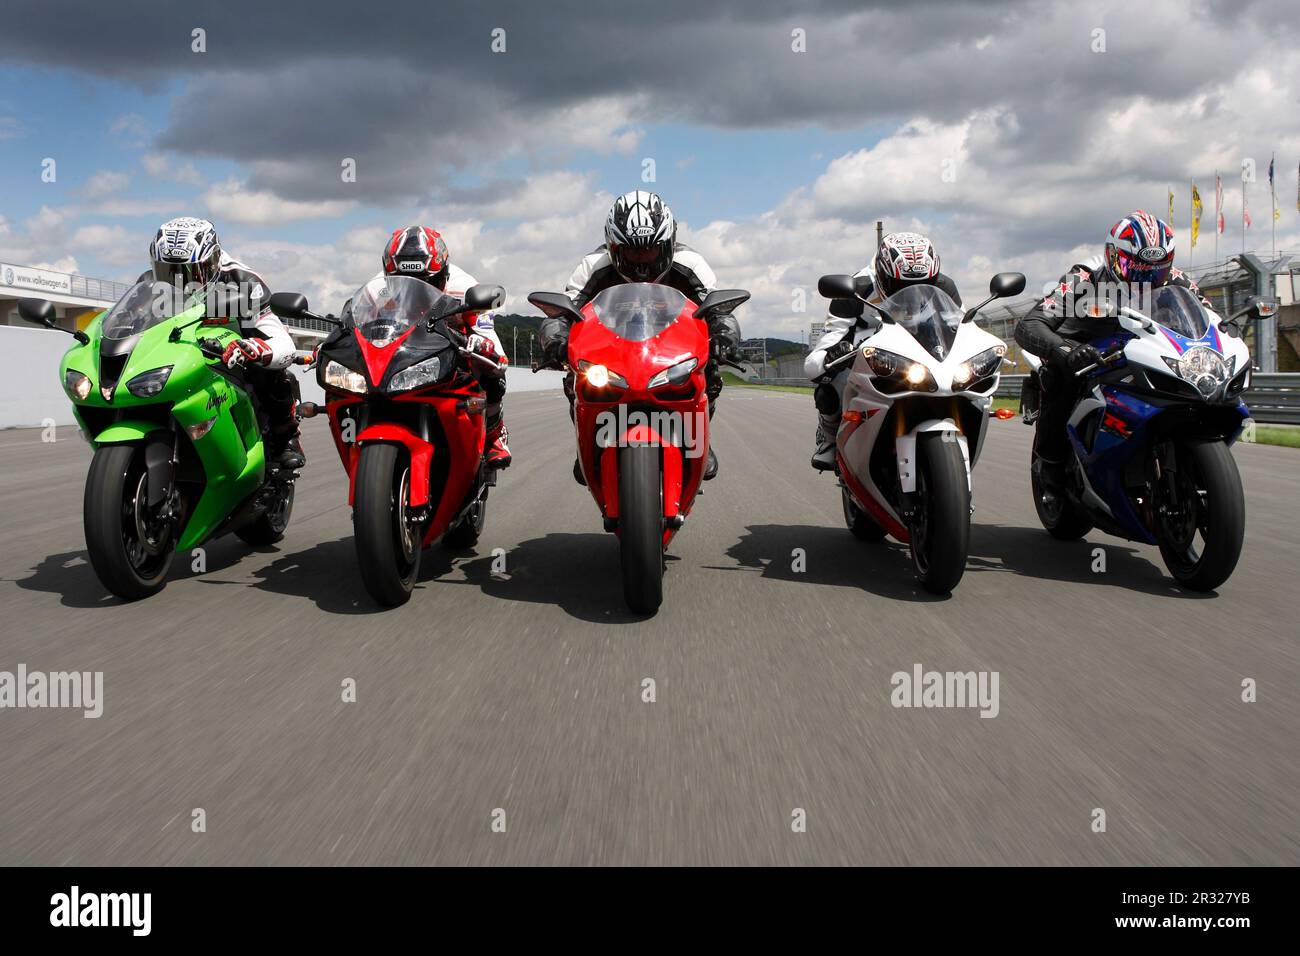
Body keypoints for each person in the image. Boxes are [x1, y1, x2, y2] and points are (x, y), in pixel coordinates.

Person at [542, 190, 740, 482]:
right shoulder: (593, 266)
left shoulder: (691, 263)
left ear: (668, 243)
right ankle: (586, 443)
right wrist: (555, 340)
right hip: (612, 344)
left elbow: (717, 306)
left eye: (650, 250)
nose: (642, 261)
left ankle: (699, 439)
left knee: (708, 373)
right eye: (633, 252)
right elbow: (564, 310)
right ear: (614, 247)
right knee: (576, 379)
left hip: (673, 346)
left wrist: (724, 333)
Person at [1014, 210, 1205, 490]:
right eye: (1137, 268)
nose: (1148, 277)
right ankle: (1050, 464)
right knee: (1060, 376)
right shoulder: (1086, 275)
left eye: (1157, 268)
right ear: (1113, 256)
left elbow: (1209, 316)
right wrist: (1064, 350)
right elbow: (1030, 323)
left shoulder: (1176, 280)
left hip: (1145, 349)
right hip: (1084, 348)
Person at [144, 217, 305, 470]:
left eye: (189, 273)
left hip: (235, 348)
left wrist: (255, 349)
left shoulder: (244, 280)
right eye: (168, 272)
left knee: (269, 373)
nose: (179, 282)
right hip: (181, 349)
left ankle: (286, 437)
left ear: (213, 260)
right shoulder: (149, 281)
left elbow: (284, 343)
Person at [804, 231, 961, 471]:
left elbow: (963, 326)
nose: (912, 290)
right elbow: (823, 350)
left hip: (924, 350)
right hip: (867, 351)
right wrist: (833, 355)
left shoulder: (945, 286)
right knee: (828, 383)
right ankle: (828, 436)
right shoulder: (855, 289)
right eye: (900, 284)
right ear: (881, 273)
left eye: (923, 283)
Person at [366, 226, 511, 468]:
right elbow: (359, 326)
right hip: (399, 354)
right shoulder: (376, 288)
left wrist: (486, 348)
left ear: (444, 274)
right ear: (388, 273)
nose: (415, 289)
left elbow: (486, 333)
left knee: (494, 372)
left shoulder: (465, 287)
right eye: (402, 282)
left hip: (450, 352)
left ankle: (494, 435)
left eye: (428, 282)